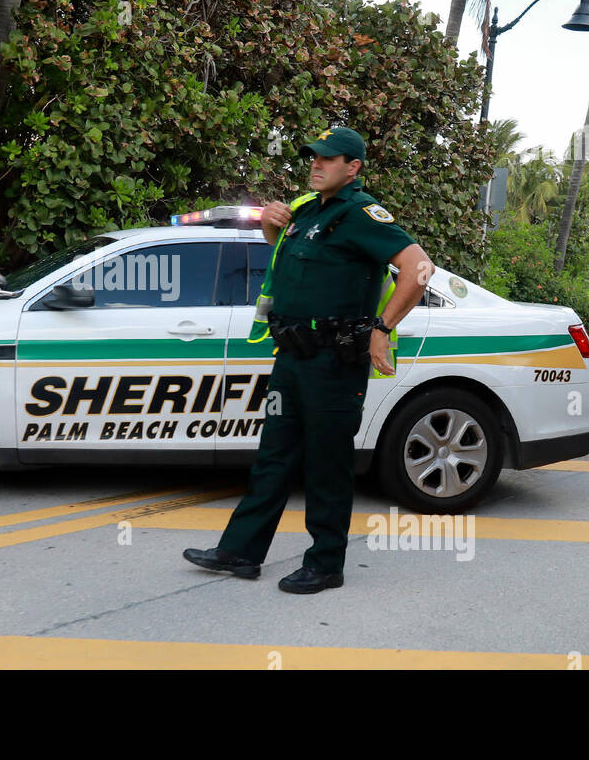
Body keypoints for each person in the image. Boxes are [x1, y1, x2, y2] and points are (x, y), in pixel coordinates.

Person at [183, 126, 432, 593]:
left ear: (352, 167)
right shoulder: (306, 211)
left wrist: (382, 329)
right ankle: (240, 550)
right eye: (313, 157)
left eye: (328, 159)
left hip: (334, 362)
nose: (316, 165)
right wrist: (271, 228)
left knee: (327, 462)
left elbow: (419, 269)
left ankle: (325, 563)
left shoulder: (360, 214)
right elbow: (287, 265)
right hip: (293, 356)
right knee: (273, 456)